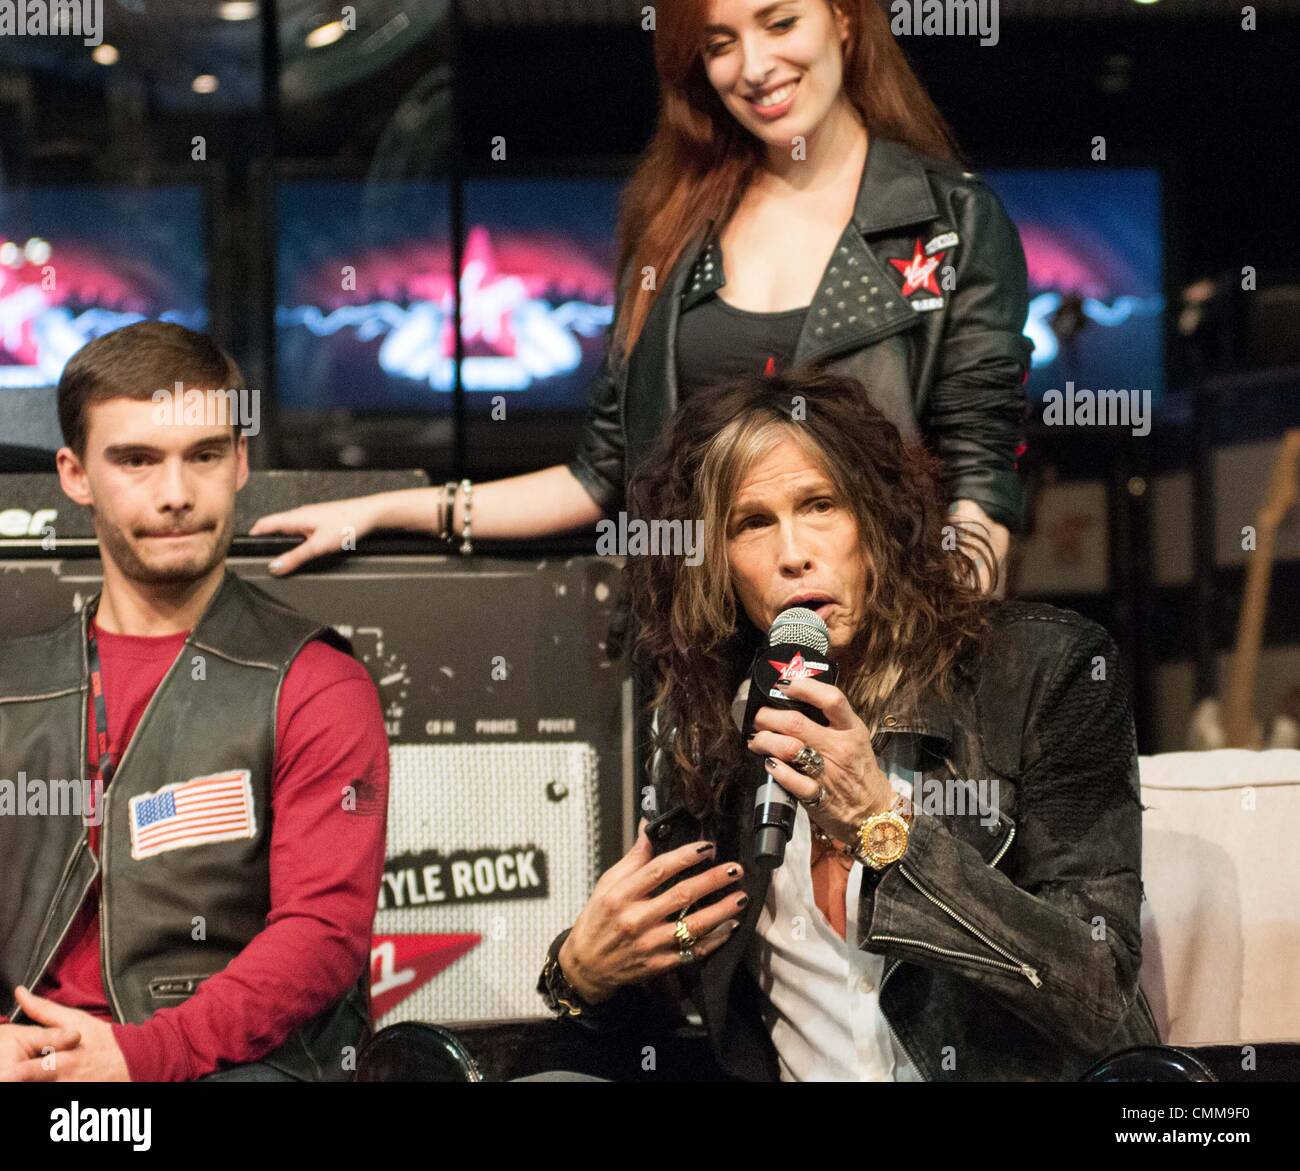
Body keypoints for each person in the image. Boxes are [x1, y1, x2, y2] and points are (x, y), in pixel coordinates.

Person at [250, 0, 1032, 595]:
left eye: (779, 23)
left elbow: (980, 487)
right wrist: (385, 510)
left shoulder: (951, 223)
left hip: (879, 671)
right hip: (697, 680)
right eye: (720, 44)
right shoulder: (676, 226)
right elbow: (599, 477)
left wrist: (927, 647)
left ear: (843, 19)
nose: (753, 67)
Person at [536, 366, 1160, 1081]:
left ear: (878, 522)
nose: (793, 552)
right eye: (752, 523)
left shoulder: (1041, 674)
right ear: (718, 564)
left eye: (820, 504)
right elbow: (675, 1010)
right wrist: (579, 973)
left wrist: (883, 828)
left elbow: (1098, 989)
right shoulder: (712, 737)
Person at [0, 322, 389, 1082]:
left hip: (231, 1068)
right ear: (75, 474)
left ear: (241, 461)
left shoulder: (316, 682)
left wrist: (143, 1054)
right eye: (137, 460)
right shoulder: (11, 686)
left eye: (203, 456)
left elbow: (323, 932)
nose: (176, 494)